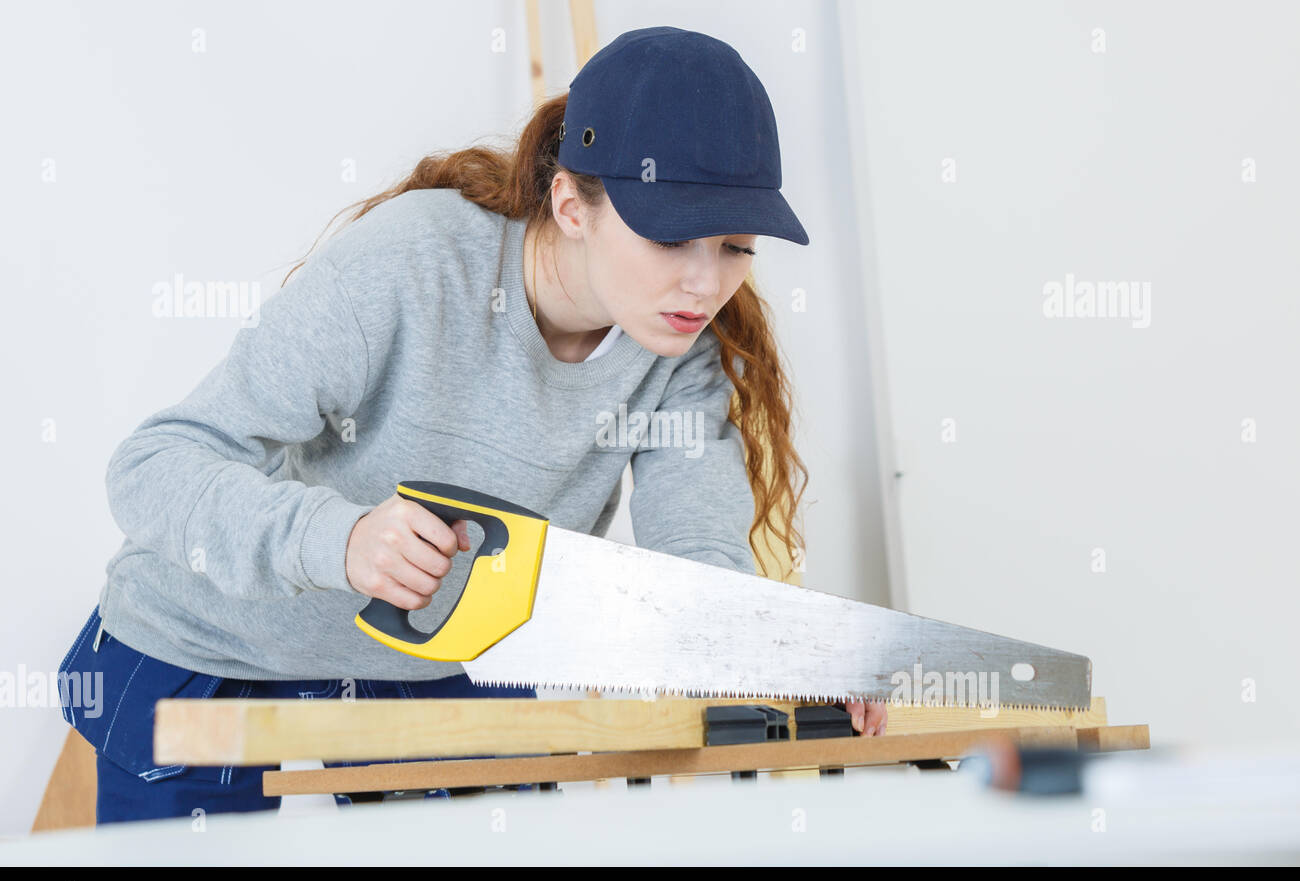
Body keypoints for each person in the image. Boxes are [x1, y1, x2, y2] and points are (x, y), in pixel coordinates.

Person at [58, 25, 886, 826]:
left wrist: (780, 656)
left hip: (430, 655)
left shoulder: (678, 353)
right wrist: (337, 541)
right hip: (212, 645)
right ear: (571, 204)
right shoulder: (405, 268)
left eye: (736, 246)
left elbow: (695, 565)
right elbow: (153, 466)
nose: (707, 285)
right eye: (673, 238)